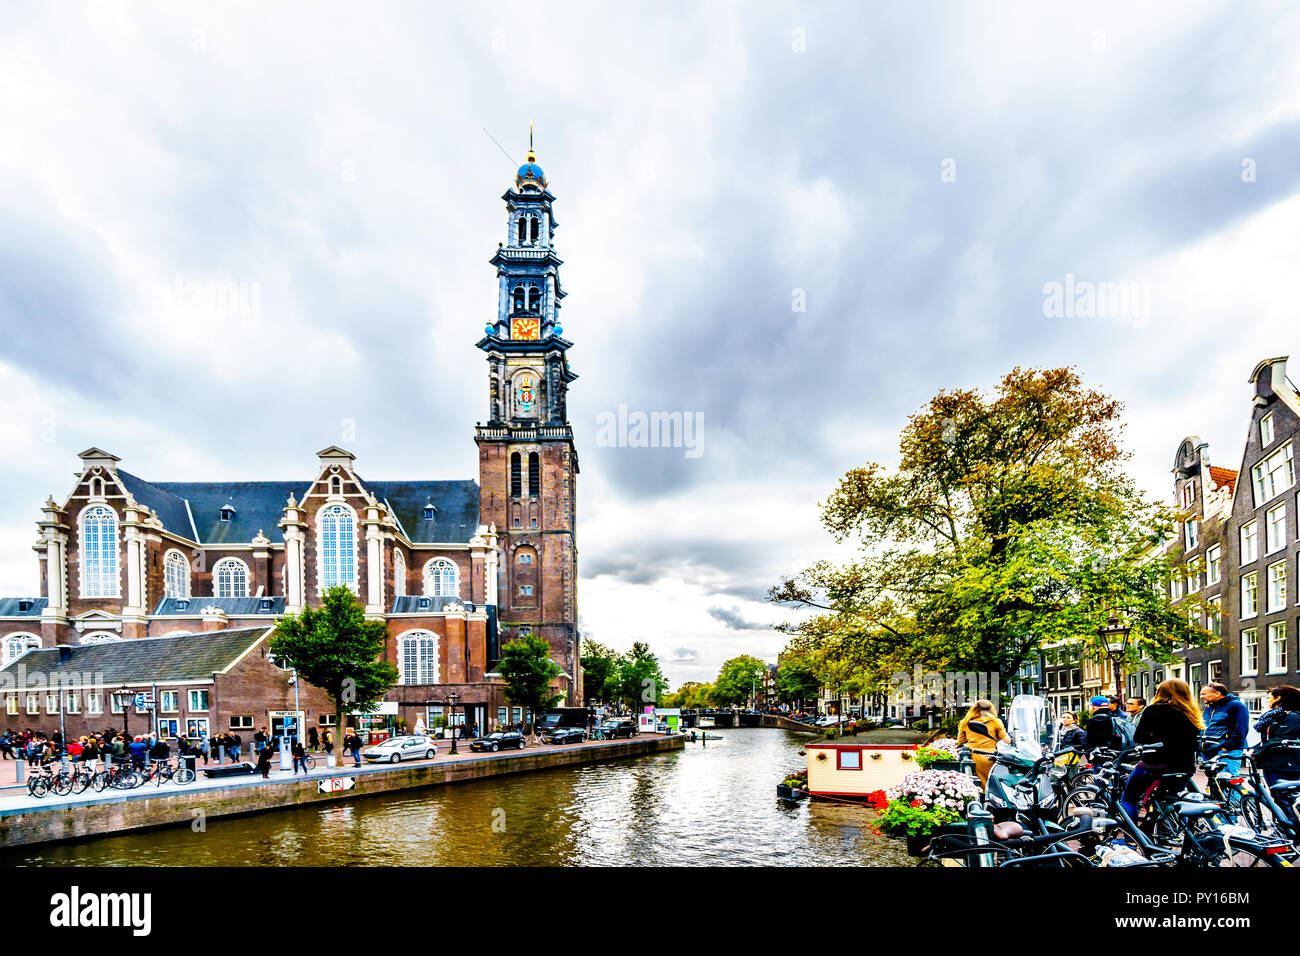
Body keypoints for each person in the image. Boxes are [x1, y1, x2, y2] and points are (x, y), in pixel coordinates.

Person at [1119, 678, 1203, 822]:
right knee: (1173, 799)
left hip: (1154, 764)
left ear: (1160, 693)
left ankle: (1129, 837)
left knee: (1129, 797)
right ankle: (1177, 832)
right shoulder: (1191, 712)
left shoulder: (1153, 710)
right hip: (1184, 766)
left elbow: (1139, 737)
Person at [956, 699, 1009, 789]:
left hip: (973, 757)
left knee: (976, 785)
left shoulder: (965, 722)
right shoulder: (996, 722)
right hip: (992, 757)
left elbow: (961, 741)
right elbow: (1006, 741)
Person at [1253, 685, 1300, 786]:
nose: (1266, 701)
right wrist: (1255, 748)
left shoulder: (1292, 717)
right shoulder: (1275, 716)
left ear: (1278, 698)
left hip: (1285, 765)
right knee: (1276, 796)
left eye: (1268, 698)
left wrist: (1256, 752)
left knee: (1285, 798)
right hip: (1272, 763)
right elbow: (1268, 739)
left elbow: (1281, 739)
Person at [1200, 682, 1250, 775]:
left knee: (1228, 782)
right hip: (1208, 752)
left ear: (1217, 693)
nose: (1201, 697)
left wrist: (1226, 747)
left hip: (1226, 751)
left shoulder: (1236, 706)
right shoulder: (1207, 707)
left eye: (1204, 694)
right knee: (1214, 783)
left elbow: (1241, 729)